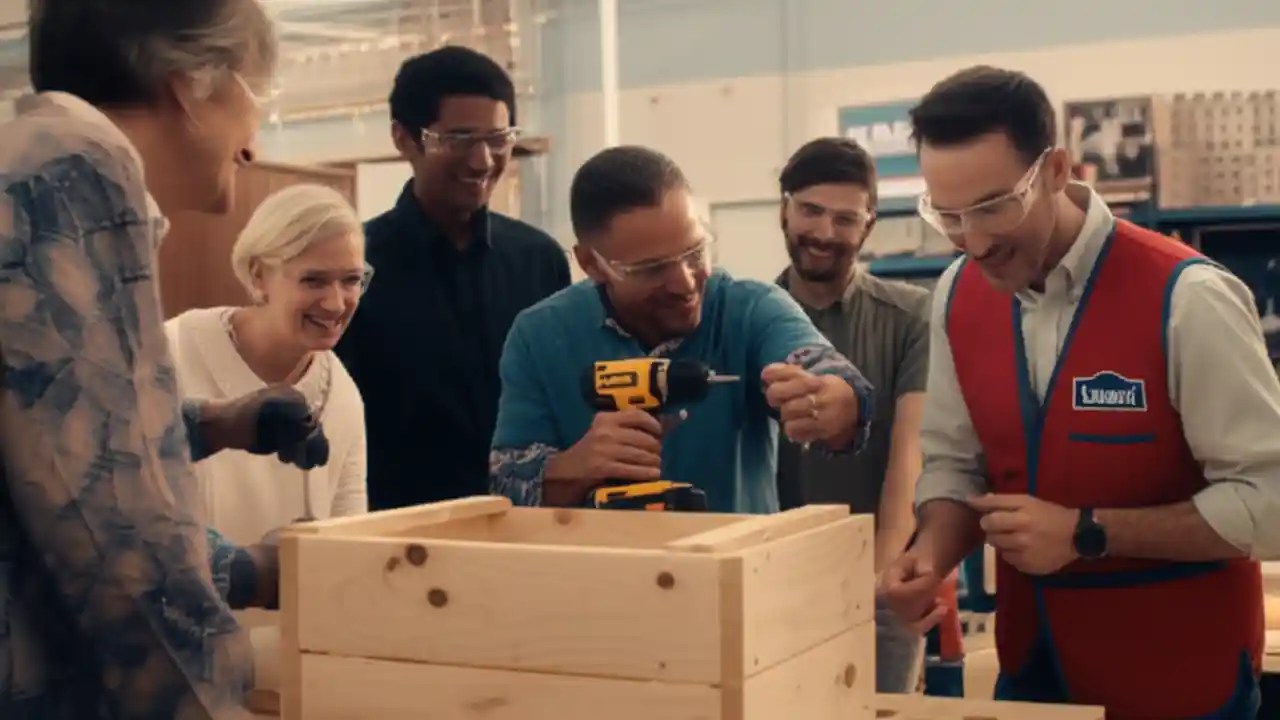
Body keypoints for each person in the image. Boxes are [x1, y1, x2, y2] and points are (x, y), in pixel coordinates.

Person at [880, 65, 1279, 719]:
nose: (974, 242)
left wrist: (1090, 534)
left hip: (1181, 682)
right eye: (947, 216)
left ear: (1058, 169)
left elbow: (1270, 504)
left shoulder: (1188, 299)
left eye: (992, 207)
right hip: (1035, 677)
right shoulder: (955, 294)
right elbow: (955, 464)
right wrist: (928, 555)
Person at [1, 0, 283, 717]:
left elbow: (43, 428)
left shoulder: (35, 165)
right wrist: (208, 699)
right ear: (191, 81)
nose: (253, 144)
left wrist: (208, 424)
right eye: (260, 95)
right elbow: (106, 525)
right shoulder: (74, 172)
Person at [489, 145, 874, 513]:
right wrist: (575, 467)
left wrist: (838, 401)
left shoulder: (750, 308)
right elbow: (505, 483)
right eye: (653, 269)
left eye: (695, 253)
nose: (686, 283)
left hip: (733, 575)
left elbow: (822, 366)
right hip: (601, 578)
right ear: (592, 263)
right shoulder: (539, 337)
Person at [336, 46, 570, 511]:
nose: (483, 160)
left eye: (498, 138)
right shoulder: (355, 266)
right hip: (398, 530)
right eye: (459, 138)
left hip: (524, 524)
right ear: (404, 139)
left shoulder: (538, 259)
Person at [771, 137, 934, 694]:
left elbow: (910, 456)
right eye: (810, 211)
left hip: (881, 580)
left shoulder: (911, 317)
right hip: (770, 583)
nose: (823, 233)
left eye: (844, 219)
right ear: (784, 209)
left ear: (867, 226)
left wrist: (882, 577)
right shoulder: (747, 318)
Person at [166, 183, 369, 547]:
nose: (337, 304)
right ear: (259, 275)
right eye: (314, 280)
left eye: (351, 280)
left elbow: (349, 544)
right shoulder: (172, 353)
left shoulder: (342, 395)